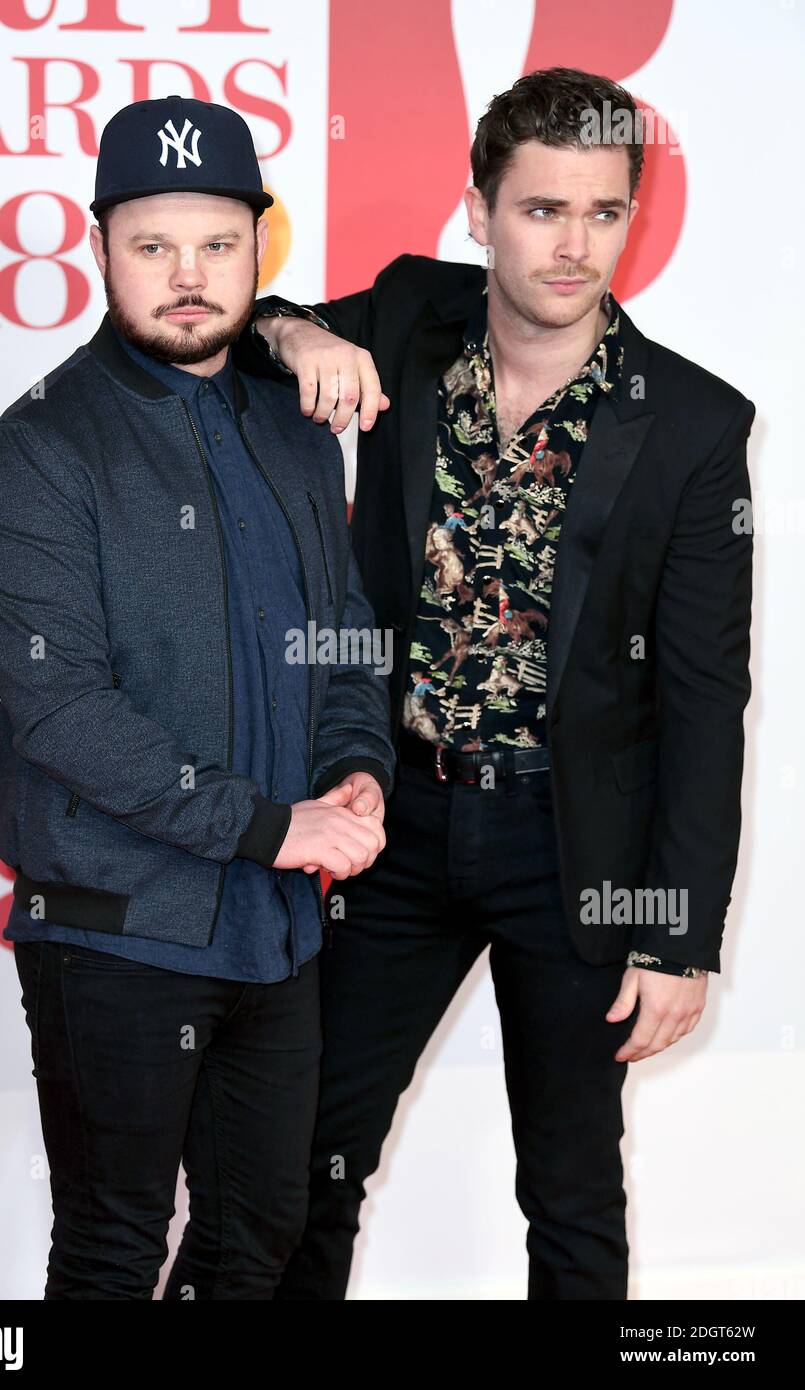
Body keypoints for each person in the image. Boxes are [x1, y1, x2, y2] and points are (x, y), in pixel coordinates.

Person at [202, 66, 756, 1299]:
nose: (572, 246)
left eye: (601, 213)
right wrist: (297, 330)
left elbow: (708, 697)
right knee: (303, 1160)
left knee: (570, 1194)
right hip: (392, 815)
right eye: (542, 210)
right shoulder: (405, 315)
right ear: (479, 210)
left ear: (632, 218)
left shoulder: (693, 426)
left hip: (573, 845)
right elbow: (235, 326)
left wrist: (678, 931)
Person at [0, 95, 396, 1300]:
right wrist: (272, 824)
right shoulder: (37, 447)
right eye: (152, 245)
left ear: (262, 246)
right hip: (115, 926)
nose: (188, 275)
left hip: (278, 927)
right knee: (110, 1249)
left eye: (216, 242)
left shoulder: (298, 428)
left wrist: (357, 765)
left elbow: (340, 635)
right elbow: (63, 713)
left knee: (254, 1238)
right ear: (100, 250)